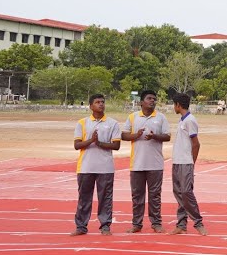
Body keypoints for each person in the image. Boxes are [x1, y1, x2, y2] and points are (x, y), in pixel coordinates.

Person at [69, 93, 121, 236]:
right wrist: (91, 141)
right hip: (86, 167)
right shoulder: (82, 123)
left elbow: (116, 145)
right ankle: (81, 226)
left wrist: (100, 143)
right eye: (97, 102)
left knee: (105, 198)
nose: (101, 104)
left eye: (102, 102)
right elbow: (77, 145)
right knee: (84, 198)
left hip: (105, 167)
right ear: (91, 106)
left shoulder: (113, 123)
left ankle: (105, 226)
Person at [121, 89, 170, 234]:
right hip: (137, 164)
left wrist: (155, 136)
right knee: (137, 196)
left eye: (154, 99)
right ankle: (137, 224)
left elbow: (167, 136)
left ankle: (156, 223)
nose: (152, 101)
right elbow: (123, 135)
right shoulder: (133, 117)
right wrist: (136, 135)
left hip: (155, 164)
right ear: (141, 102)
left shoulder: (161, 117)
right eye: (149, 98)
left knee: (155, 195)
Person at [169, 93, 207, 236]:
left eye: (174, 105)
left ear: (178, 105)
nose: (173, 107)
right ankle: (181, 224)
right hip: (177, 161)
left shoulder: (190, 121)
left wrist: (192, 163)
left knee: (186, 192)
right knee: (179, 193)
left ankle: (198, 222)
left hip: (186, 162)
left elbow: (196, 144)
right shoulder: (182, 120)